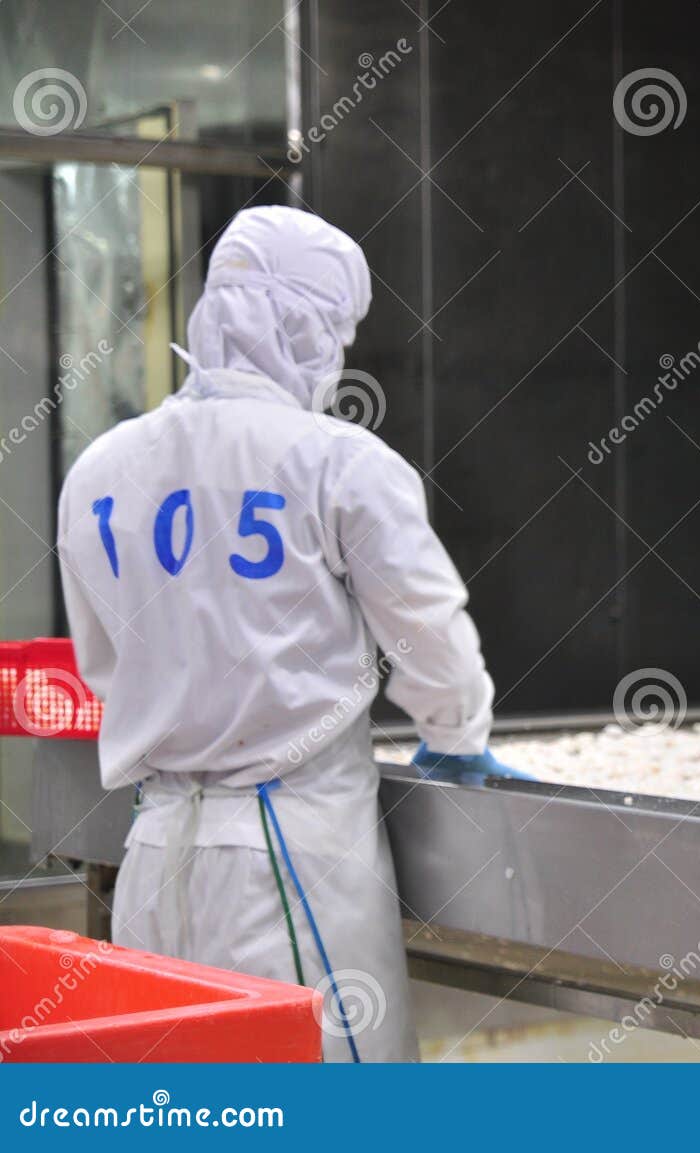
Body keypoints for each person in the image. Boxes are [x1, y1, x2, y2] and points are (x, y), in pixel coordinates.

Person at [57, 205, 524, 1062]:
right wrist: (457, 736)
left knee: (174, 1104)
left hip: (156, 856)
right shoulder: (341, 463)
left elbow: (102, 662)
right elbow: (431, 640)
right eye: (337, 333)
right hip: (289, 863)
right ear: (308, 328)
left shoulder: (100, 470)